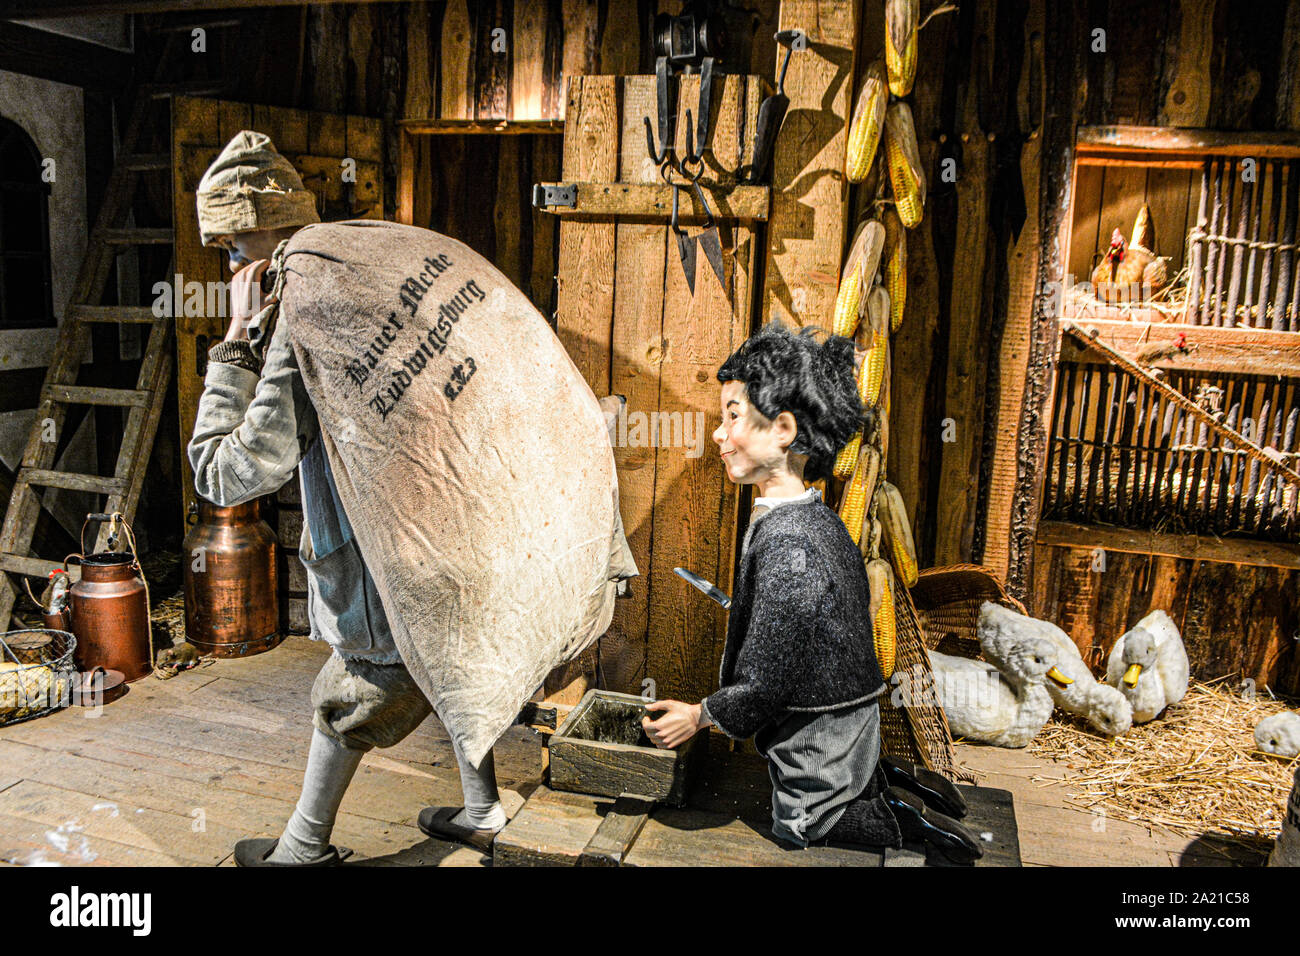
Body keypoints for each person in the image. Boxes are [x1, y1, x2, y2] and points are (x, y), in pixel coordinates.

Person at [188, 130, 633, 865]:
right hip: (478, 527)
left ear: (257, 238)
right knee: (457, 660)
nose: (231, 269)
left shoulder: (304, 308)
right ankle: (485, 808)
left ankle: (301, 852)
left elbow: (228, 473)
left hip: (396, 557)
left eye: (233, 252)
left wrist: (236, 339)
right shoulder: (375, 255)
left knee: (355, 694)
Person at [641, 321, 982, 864]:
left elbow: (768, 682)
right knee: (831, 777)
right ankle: (887, 776)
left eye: (732, 417)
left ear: (781, 428)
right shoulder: (813, 517)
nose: (718, 434)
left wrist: (697, 715)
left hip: (819, 728)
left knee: (799, 824)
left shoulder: (790, 546)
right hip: (849, 714)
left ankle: (896, 817)